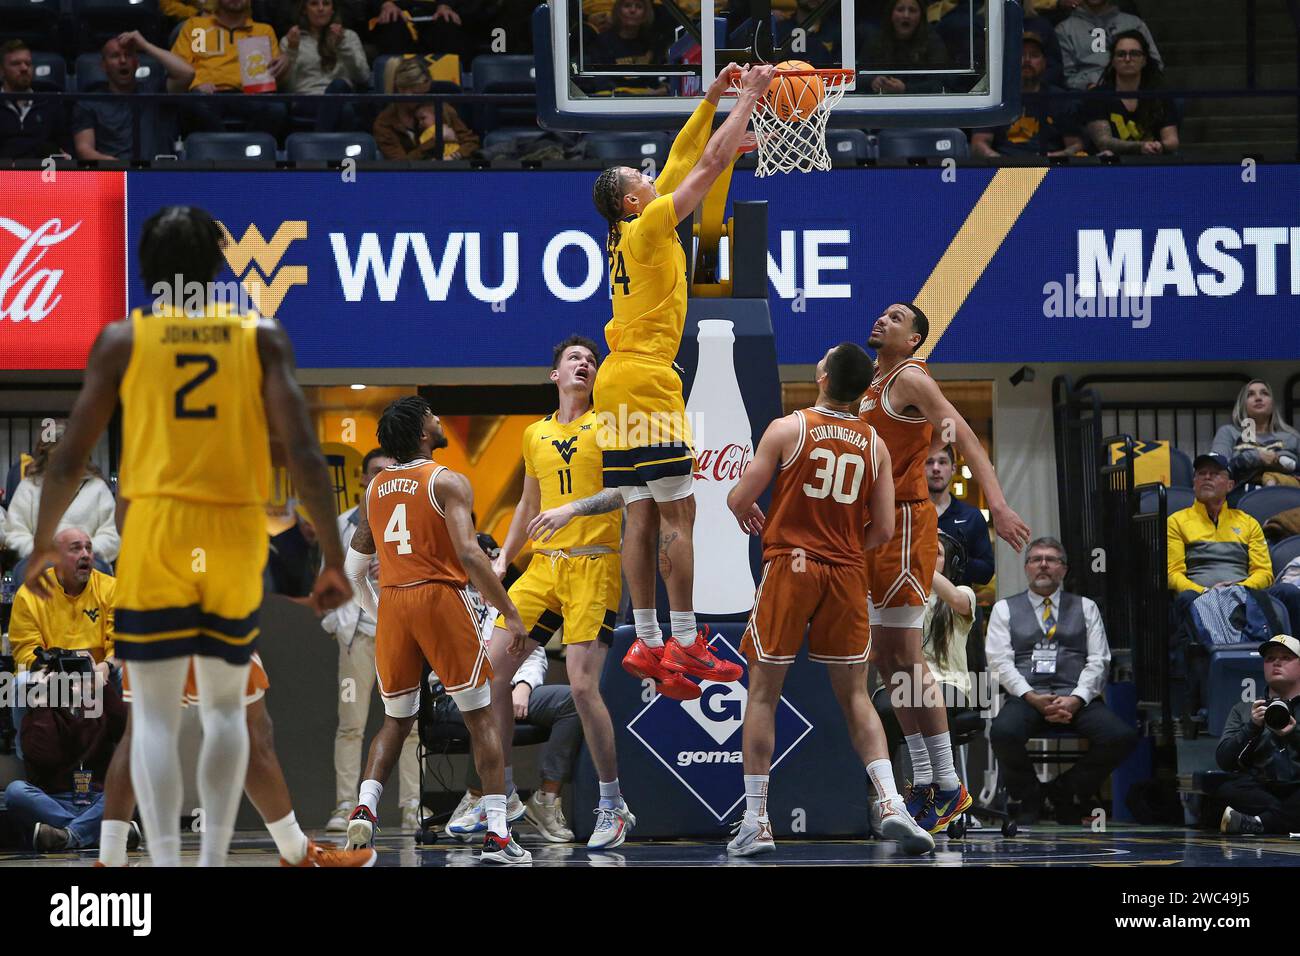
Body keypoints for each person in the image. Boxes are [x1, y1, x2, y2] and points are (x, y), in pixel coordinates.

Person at [20, 205, 351, 868]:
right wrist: (332, 560)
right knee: (232, 714)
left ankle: (162, 864)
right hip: (231, 528)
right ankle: (211, 859)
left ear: (146, 271)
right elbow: (307, 456)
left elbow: (69, 456)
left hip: (158, 527)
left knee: (156, 722)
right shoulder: (259, 334)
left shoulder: (122, 339)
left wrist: (40, 542)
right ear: (218, 266)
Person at [590, 63, 774, 700]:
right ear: (632, 201)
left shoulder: (630, 231)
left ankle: (645, 637)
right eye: (640, 179)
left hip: (615, 384)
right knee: (681, 512)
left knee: (638, 513)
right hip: (645, 379)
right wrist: (748, 101)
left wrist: (717, 95)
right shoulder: (647, 229)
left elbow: (683, 153)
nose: (651, 176)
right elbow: (707, 165)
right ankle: (690, 641)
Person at [723, 343, 934, 855]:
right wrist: (842, 551)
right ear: (863, 390)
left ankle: (757, 822)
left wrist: (747, 514)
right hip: (846, 573)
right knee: (857, 696)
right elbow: (884, 528)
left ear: (821, 376)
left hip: (791, 566)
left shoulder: (788, 427)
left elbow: (738, 498)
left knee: (763, 694)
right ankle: (890, 802)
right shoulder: (876, 445)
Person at [454, 336, 632, 848]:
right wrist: (504, 558)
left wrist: (572, 511)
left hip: (594, 567)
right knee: (492, 673)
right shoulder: (534, 434)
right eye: (575, 358)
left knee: (581, 687)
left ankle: (613, 805)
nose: (586, 364)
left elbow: (626, 490)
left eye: (592, 360)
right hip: (543, 569)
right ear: (555, 375)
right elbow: (529, 503)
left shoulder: (610, 424)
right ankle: (503, 793)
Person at [860, 301, 1031, 833]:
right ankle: (930, 781)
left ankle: (951, 787)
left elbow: (961, 433)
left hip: (907, 522)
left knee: (909, 658)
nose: (883, 320)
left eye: (896, 318)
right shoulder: (873, 382)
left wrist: (996, 503)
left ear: (913, 340)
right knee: (889, 661)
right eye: (882, 314)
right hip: (877, 522)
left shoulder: (910, 378)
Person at [342, 397, 533, 864]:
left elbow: (353, 569)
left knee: (395, 721)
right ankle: (498, 836)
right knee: (481, 717)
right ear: (423, 432)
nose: (438, 418)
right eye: (431, 414)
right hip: (439, 598)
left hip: (395, 604)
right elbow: (469, 555)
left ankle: (365, 805)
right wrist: (509, 611)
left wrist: (382, 606)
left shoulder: (376, 489)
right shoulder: (447, 481)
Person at [97, 665, 376, 866]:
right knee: (249, 725)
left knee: (143, 730)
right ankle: (292, 852)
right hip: (207, 592)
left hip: (147, 598)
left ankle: (110, 858)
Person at [986, 536, 1136, 824]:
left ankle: (1063, 791)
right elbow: (999, 662)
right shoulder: (1004, 609)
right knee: (1003, 732)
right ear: (1027, 568)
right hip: (1026, 697)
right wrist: (1031, 696)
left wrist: (1077, 698)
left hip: (1074, 696)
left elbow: (1099, 660)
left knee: (1121, 737)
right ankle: (1029, 796)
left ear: (1064, 569)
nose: (1043, 565)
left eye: (1051, 559)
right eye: (1036, 559)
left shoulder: (1086, 607)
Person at [322, 447, 427, 833]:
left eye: (389, 470)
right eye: (375, 472)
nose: (382, 477)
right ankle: (346, 804)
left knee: (410, 724)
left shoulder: (413, 513)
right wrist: (340, 624)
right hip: (360, 638)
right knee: (351, 723)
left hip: (403, 633)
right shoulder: (341, 523)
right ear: (363, 480)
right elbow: (330, 580)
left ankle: (412, 806)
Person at [444, 638, 584, 845]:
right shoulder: (457, 605)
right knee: (484, 701)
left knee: (574, 699)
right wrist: (499, 688)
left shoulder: (513, 606)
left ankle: (546, 800)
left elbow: (533, 652)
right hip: (459, 689)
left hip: (511, 686)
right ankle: (475, 797)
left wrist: (524, 685)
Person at [3, 654, 128, 853]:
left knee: (135, 782)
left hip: (97, 798)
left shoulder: (96, 702)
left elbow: (125, 734)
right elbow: (44, 757)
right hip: (53, 800)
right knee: (15, 792)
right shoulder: (38, 711)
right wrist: (42, 702)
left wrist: (101, 687)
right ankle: (98, 832)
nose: (64, 680)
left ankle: (67, 835)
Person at [874, 533, 977, 762]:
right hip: (897, 682)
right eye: (923, 552)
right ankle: (882, 790)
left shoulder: (963, 592)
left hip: (947, 682)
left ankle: (943, 784)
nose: (927, 556)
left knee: (932, 700)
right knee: (884, 708)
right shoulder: (894, 595)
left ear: (950, 562)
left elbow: (959, 601)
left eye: (936, 553)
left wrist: (919, 564)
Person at [1217, 635, 1300, 835]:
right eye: (1270, 659)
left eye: (1286, 657)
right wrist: (1252, 727)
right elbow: (1225, 761)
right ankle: (1286, 817)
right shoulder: (1245, 709)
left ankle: (1258, 822)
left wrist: (1294, 735)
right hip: (1261, 789)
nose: (1276, 662)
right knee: (1225, 790)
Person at [170, 0, 292, 136]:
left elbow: (275, 77)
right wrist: (196, 84)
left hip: (250, 96)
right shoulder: (198, 27)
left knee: (276, 108)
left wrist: (285, 62)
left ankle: (238, 149)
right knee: (193, 103)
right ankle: (228, 150)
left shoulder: (263, 30)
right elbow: (179, 66)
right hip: (208, 95)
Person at [73, 32, 195, 162]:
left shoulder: (156, 92)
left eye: (128, 55)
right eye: (115, 56)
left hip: (157, 174)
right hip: (112, 174)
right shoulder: (89, 102)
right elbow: (84, 149)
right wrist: (117, 166)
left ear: (137, 63)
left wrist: (145, 45)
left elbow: (187, 73)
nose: (123, 60)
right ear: (104, 66)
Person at [6, 436, 120, 568]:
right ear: (45, 457)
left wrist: (82, 551)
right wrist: (42, 552)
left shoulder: (98, 487)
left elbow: (112, 534)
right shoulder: (28, 487)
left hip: (88, 561)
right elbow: (14, 532)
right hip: (40, 561)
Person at [970, 30, 1082, 158]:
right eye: (1021, 55)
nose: (1027, 60)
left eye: (1034, 55)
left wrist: (1056, 157)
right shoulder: (995, 98)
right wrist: (1000, 161)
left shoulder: (1060, 99)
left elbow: (1075, 145)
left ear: (1044, 63)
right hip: (1004, 170)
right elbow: (979, 144)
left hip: (1049, 168)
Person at [1078, 30, 1178, 157]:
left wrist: (1160, 146)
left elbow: (1172, 140)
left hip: (1151, 164)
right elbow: (1104, 142)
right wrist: (1140, 147)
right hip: (1111, 165)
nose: (1127, 59)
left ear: (1144, 60)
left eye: (1135, 54)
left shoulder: (1159, 95)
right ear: (1113, 61)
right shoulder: (1097, 96)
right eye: (1121, 54)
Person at [281, 0, 370, 133]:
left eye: (326, 3)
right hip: (307, 100)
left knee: (339, 87)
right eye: (314, 4)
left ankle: (317, 142)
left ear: (332, 10)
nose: (321, 8)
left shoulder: (349, 37)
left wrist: (342, 46)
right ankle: (323, 144)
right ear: (304, 10)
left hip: (344, 98)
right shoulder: (291, 40)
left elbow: (363, 77)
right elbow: (288, 88)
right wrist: (292, 51)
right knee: (345, 110)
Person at [372, 56, 479, 160]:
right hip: (411, 177)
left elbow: (471, 142)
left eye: (425, 94)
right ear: (401, 89)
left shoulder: (439, 108)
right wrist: (435, 140)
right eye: (416, 94)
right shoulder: (384, 123)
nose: (422, 99)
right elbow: (401, 165)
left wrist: (454, 157)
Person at [1211, 379, 1300, 492]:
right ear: (1243, 404)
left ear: (1272, 403)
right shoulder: (1229, 432)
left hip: (1286, 494)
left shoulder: (1291, 437)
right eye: (1251, 394)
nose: (1258, 398)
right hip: (1241, 496)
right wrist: (1256, 457)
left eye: (1264, 393)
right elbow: (1216, 469)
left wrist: (1281, 462)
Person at [925, 444, 994, 587]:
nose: (936, 468)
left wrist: (953, 557)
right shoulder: (908, 514)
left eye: (942, 462)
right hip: (915, 604)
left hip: (958, 604)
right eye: (929, 462)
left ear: (953, 469)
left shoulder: (971, 516)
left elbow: (986, 573)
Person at [1055, 0, 1160, 90]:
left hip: (1134, 91)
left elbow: (1155, 64)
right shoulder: (1065, 29)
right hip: (1087, 96)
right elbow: (1066, 75)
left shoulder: (1134, 24)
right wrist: (1088, 85)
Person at [0, 40, 69, 159]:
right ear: (1, 71)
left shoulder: (50, 103)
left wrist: (67, 157)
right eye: (16, 64)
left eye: (28, 63)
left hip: (42, 174)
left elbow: (66, 146)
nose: (24, 68)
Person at [863, 0, 948, 95]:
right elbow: (856, 75)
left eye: (912, 10)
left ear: (921, 16)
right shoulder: (876, 40)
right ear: (891, 14)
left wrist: (906, 89)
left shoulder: (933, 42)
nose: (906, 15)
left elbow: (941, 83)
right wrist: (872, 81)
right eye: (900, 9)